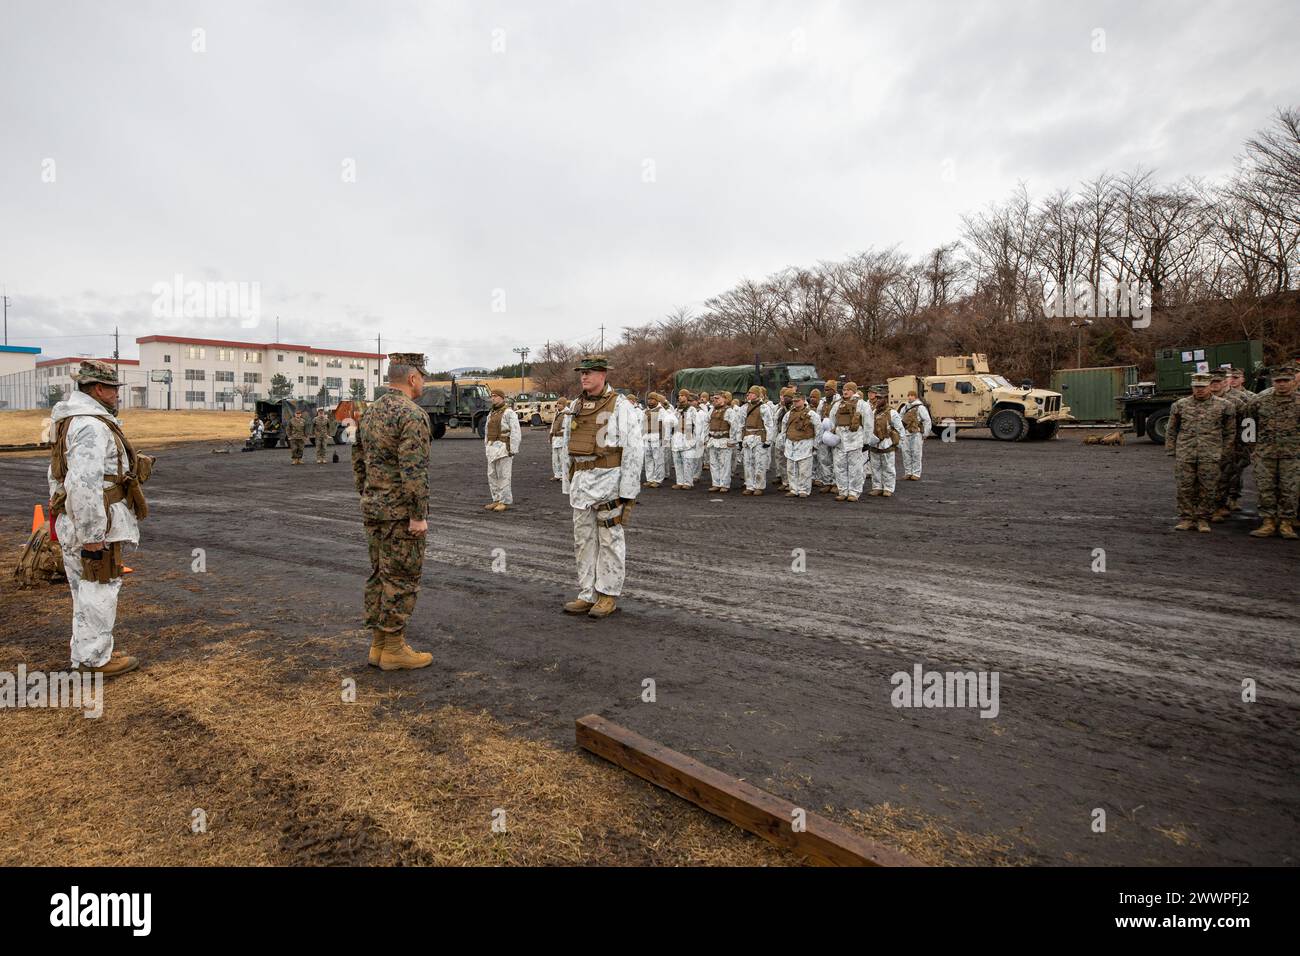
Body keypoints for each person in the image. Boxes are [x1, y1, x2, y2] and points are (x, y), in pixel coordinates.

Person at [47, 360, 152, 677]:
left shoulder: (73, 421)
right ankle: (94, 662)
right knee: (99, 588)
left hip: (81, 520)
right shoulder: (90, 426)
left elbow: (56, 476)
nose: (117, 396)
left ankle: (88, 655)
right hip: (94, 525)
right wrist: (92, 535)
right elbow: (83, 483)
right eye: (114, 390)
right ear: (99, 389)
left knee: (85, 589)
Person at [352, 352, 434, 669]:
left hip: (374, 509)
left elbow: (358, 462)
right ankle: (395, 648)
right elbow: (414, 472)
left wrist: (370, 495)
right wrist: (418, 515)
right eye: (422, 376)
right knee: (401, 578)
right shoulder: (411, 415)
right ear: (412, 378)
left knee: (379, 575)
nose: (423, 382)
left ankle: (379, 645)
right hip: (400, 513)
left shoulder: (370, 413)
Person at [560, 355, 643, 618]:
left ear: (603, 375)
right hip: (582, 483)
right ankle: (587, 593)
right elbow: (566, 444)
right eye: (582, 373)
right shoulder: (575, 405)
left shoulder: (621, 406)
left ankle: (608, 594)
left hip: (609, 481)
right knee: (582, 541)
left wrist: (628, 492)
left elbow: (634, 448)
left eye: (591, 372)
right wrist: (568, 481)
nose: (584, 376)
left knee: (610, 540)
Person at [1166, 372, 1234, 532]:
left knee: (1208, 487)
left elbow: (1230, 432)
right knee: (1185, 487)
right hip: (1185, 452)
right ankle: (1187, 518)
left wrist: (1225, 452)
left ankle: (1203, 518)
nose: (1200, 390)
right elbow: (1171, 429)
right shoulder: (1180, 405)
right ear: (1192, 387)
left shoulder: (1224, 405)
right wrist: (1171, 449)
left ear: (1210, 386)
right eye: (1196, 387)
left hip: (1211, 453)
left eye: (1203, 387)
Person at [1244, 365, 1298, 539]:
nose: (1282, 384)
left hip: (1292, 455)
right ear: (1272, 381)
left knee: (1290, 489)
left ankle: (1286, 523)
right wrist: (1253, 448)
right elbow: (1249, 424)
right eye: (1278, 381)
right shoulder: (1260, 400)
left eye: (1285, 381)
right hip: (1265, 454)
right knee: (1265, 488)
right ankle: (1268, 522)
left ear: (1293, 381)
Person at [828, 381, 871, 502]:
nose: (845, 392)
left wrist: (866, 441)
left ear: (854, 391)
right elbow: (832, 420)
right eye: (844, 390)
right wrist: (832, 436)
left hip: (855, 440)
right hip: (840, 441)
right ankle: (843, 491)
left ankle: (854, 492)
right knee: (839, 467)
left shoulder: (862, 405)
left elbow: (868, 423)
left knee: (855, 468)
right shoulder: (837, 405)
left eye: (848, 390)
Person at [484, 388, 521, 512]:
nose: (493, 398)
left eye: (495, 396)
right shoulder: (491, 414)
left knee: (504, 475)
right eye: (492, 396)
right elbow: (486, 432)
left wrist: (513, 449)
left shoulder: (509, 413)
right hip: (492, 449)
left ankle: (504, 501)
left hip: (504, 448)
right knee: (492, 475)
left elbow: (516, 432)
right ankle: (496, 499)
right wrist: (487, 446)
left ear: (502, 397)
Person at [866, 387, 906, 497]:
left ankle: (888, 488)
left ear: (886, 399)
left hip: (887, 444)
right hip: (874, 444)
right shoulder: (873, 412)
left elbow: (900, 429)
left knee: (888, 467)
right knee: (875, 467)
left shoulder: (892, 412)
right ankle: (877, 487)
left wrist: (899, 444)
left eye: (880, 398)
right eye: (877, 398)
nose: (878, 400)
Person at [739, 385, 778, 495]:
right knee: (747, 463)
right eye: (748, 393)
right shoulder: (744, 408)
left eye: (751, 393)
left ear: (756, 394)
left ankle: (759, 486)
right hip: (747, 438)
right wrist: (739, 440)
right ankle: (749, 485)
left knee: (759, 463)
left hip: (759, 438)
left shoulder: (764, 407)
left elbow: (769, 424)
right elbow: (740, 424)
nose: (748, 395)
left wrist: (768, 440)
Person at [780, 391, 820, 497]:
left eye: (798, 401)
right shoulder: (789, 414)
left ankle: (804, 490)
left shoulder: (811, 414)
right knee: (791, 468)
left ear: (803, 400)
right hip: (791, 443)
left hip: (805, 443)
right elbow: (783, 428)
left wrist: (815, 445)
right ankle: (793, 489)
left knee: (804, 469)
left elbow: (818, 429)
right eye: (794, 401)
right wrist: (783, 441)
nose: (795, 403)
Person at [706, 390, 742, 492]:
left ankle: (724, 484)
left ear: (725, 399)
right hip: (713, 440)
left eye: (718, 398)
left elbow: (735, 426)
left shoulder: (729, 411)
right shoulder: (711, 410)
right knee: (713, 463)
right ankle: (716, 483)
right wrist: (705, 438)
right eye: (714, 398)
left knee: (725, 464)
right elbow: (706, 423)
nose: (715, 400)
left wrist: (733, 441)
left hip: (724, 440)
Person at [898, 390, 932, 480]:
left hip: (916, 433)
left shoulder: (920, 407)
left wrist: (925, 433)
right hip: (906, 433)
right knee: (906, 453)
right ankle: (908, 472)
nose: (909, 397)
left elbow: (927, 420)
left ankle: (916, 473)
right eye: (908, 395)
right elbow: (899, 419)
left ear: (915, 397)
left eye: (912, 395)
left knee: (916, 453)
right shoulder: (905, 407)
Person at [642, 392, 673, 488]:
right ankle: (650, 479)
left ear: (656, 400)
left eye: (652, 399)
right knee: (648, 459)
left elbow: (666, 425)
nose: (650, 401)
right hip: (647, 437)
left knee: (658, 459)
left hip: (657, 437)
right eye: (649, 399)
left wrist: (666, 438)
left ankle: (658, 479)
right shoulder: (645, 411)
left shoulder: (661, 411)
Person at [670, 389, 698, 489]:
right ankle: (680, 481)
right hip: (677, 437)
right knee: (677, 462)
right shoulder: (676, 410)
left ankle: (688, 482)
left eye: (682, 395)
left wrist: (696, 439)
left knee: (687, 461)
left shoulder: (692, 410)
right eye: (679, 395)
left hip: (687, 436)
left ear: (687, 397)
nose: (680, 397)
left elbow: (697, 425)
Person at [771, 387, 795, 488]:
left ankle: (792, 482)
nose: (785, 399)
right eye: (785, 397)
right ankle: (785, 481)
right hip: (780, 436)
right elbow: (775, 423)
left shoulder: (795, 410)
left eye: (788, 397)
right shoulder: (781, 410)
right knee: (780, 460)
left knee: (790, 461)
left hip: (791, 437)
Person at [548, 396, 570, 481]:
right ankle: (557, 474)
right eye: (557, 403)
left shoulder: (567, 413)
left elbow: (569, 427)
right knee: (555, 458)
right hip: (555, 439)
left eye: (560, 403)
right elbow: (553, 425)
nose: (558, 405)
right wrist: (550, 435)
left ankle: (565, 475)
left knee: (563, 458)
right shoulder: (557, 413)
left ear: (564, 404)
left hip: (562, 439)